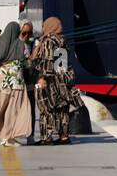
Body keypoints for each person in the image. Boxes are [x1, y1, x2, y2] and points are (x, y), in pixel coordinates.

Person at [30, 17, 80, 145]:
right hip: (61, 80)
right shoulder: (62, 40)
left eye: (44, 26)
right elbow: (61, 65)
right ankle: (64, 136)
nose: (42, 29)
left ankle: (46, 138)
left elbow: (47, 62)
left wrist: (42, 78)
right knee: (62, 109)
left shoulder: (48, 41)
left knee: (45, 109)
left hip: (47, 81)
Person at [0, 23, 31, 147]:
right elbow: (27, 62)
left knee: (1, 110)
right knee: (13, 110)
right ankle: (8, 137)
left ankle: (4, 135)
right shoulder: (22, 45)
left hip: (1, 83)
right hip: (16, 84)